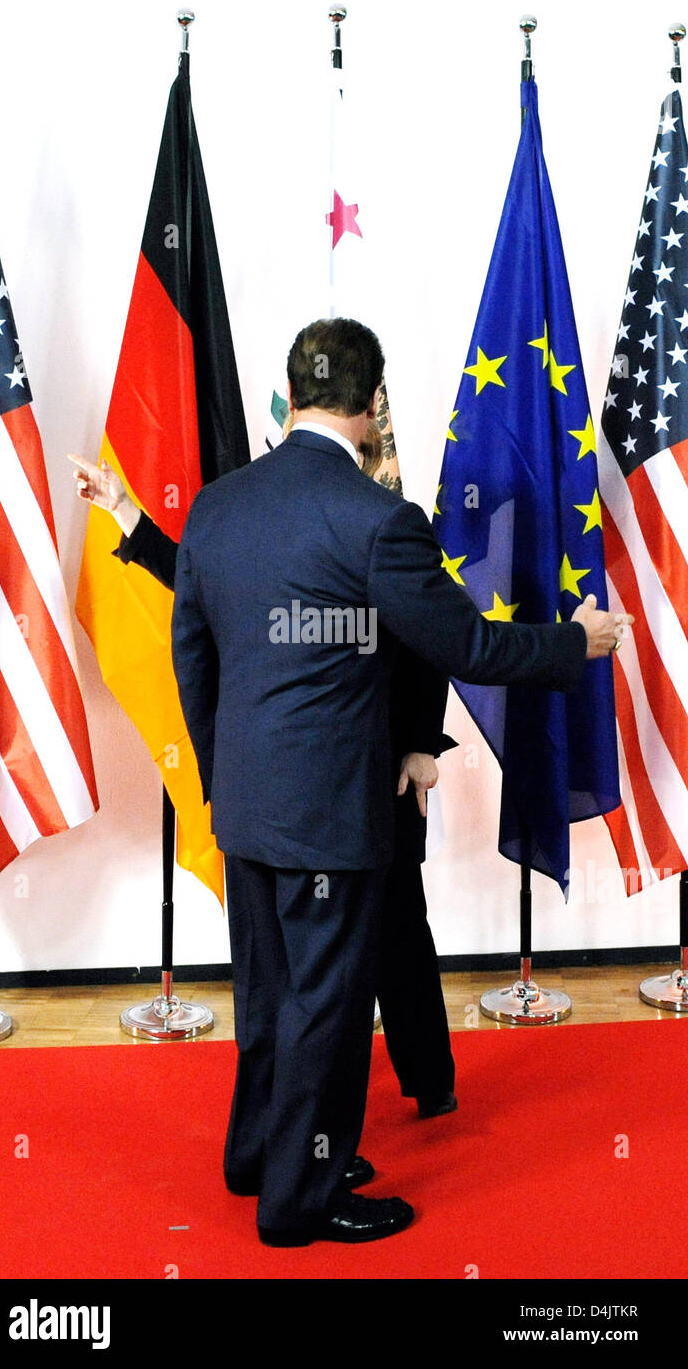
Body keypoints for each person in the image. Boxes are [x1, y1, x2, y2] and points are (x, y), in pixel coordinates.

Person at [75, 318, 631, 1247]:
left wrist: (221, 777)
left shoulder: (218, 506)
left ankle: (258, 1155)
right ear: (371, 406)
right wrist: (578, 641)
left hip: (247, 804)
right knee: (326, 1012)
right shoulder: (379, 521)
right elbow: (467, 644)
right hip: (332, 817)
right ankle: (298, 1200)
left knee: (267, 998)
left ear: (291, 395)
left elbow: (199, 646)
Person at [70, 438, 458, 1119]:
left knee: (397, 931)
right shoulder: (272, 534)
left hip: (383, 767)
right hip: (308, 780)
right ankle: (308, 1131)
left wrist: (422, 746)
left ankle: (428, 1083)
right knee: (307, 969)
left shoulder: (386, 527)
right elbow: (205, 580)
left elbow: (434, 642)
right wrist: (128, 515)